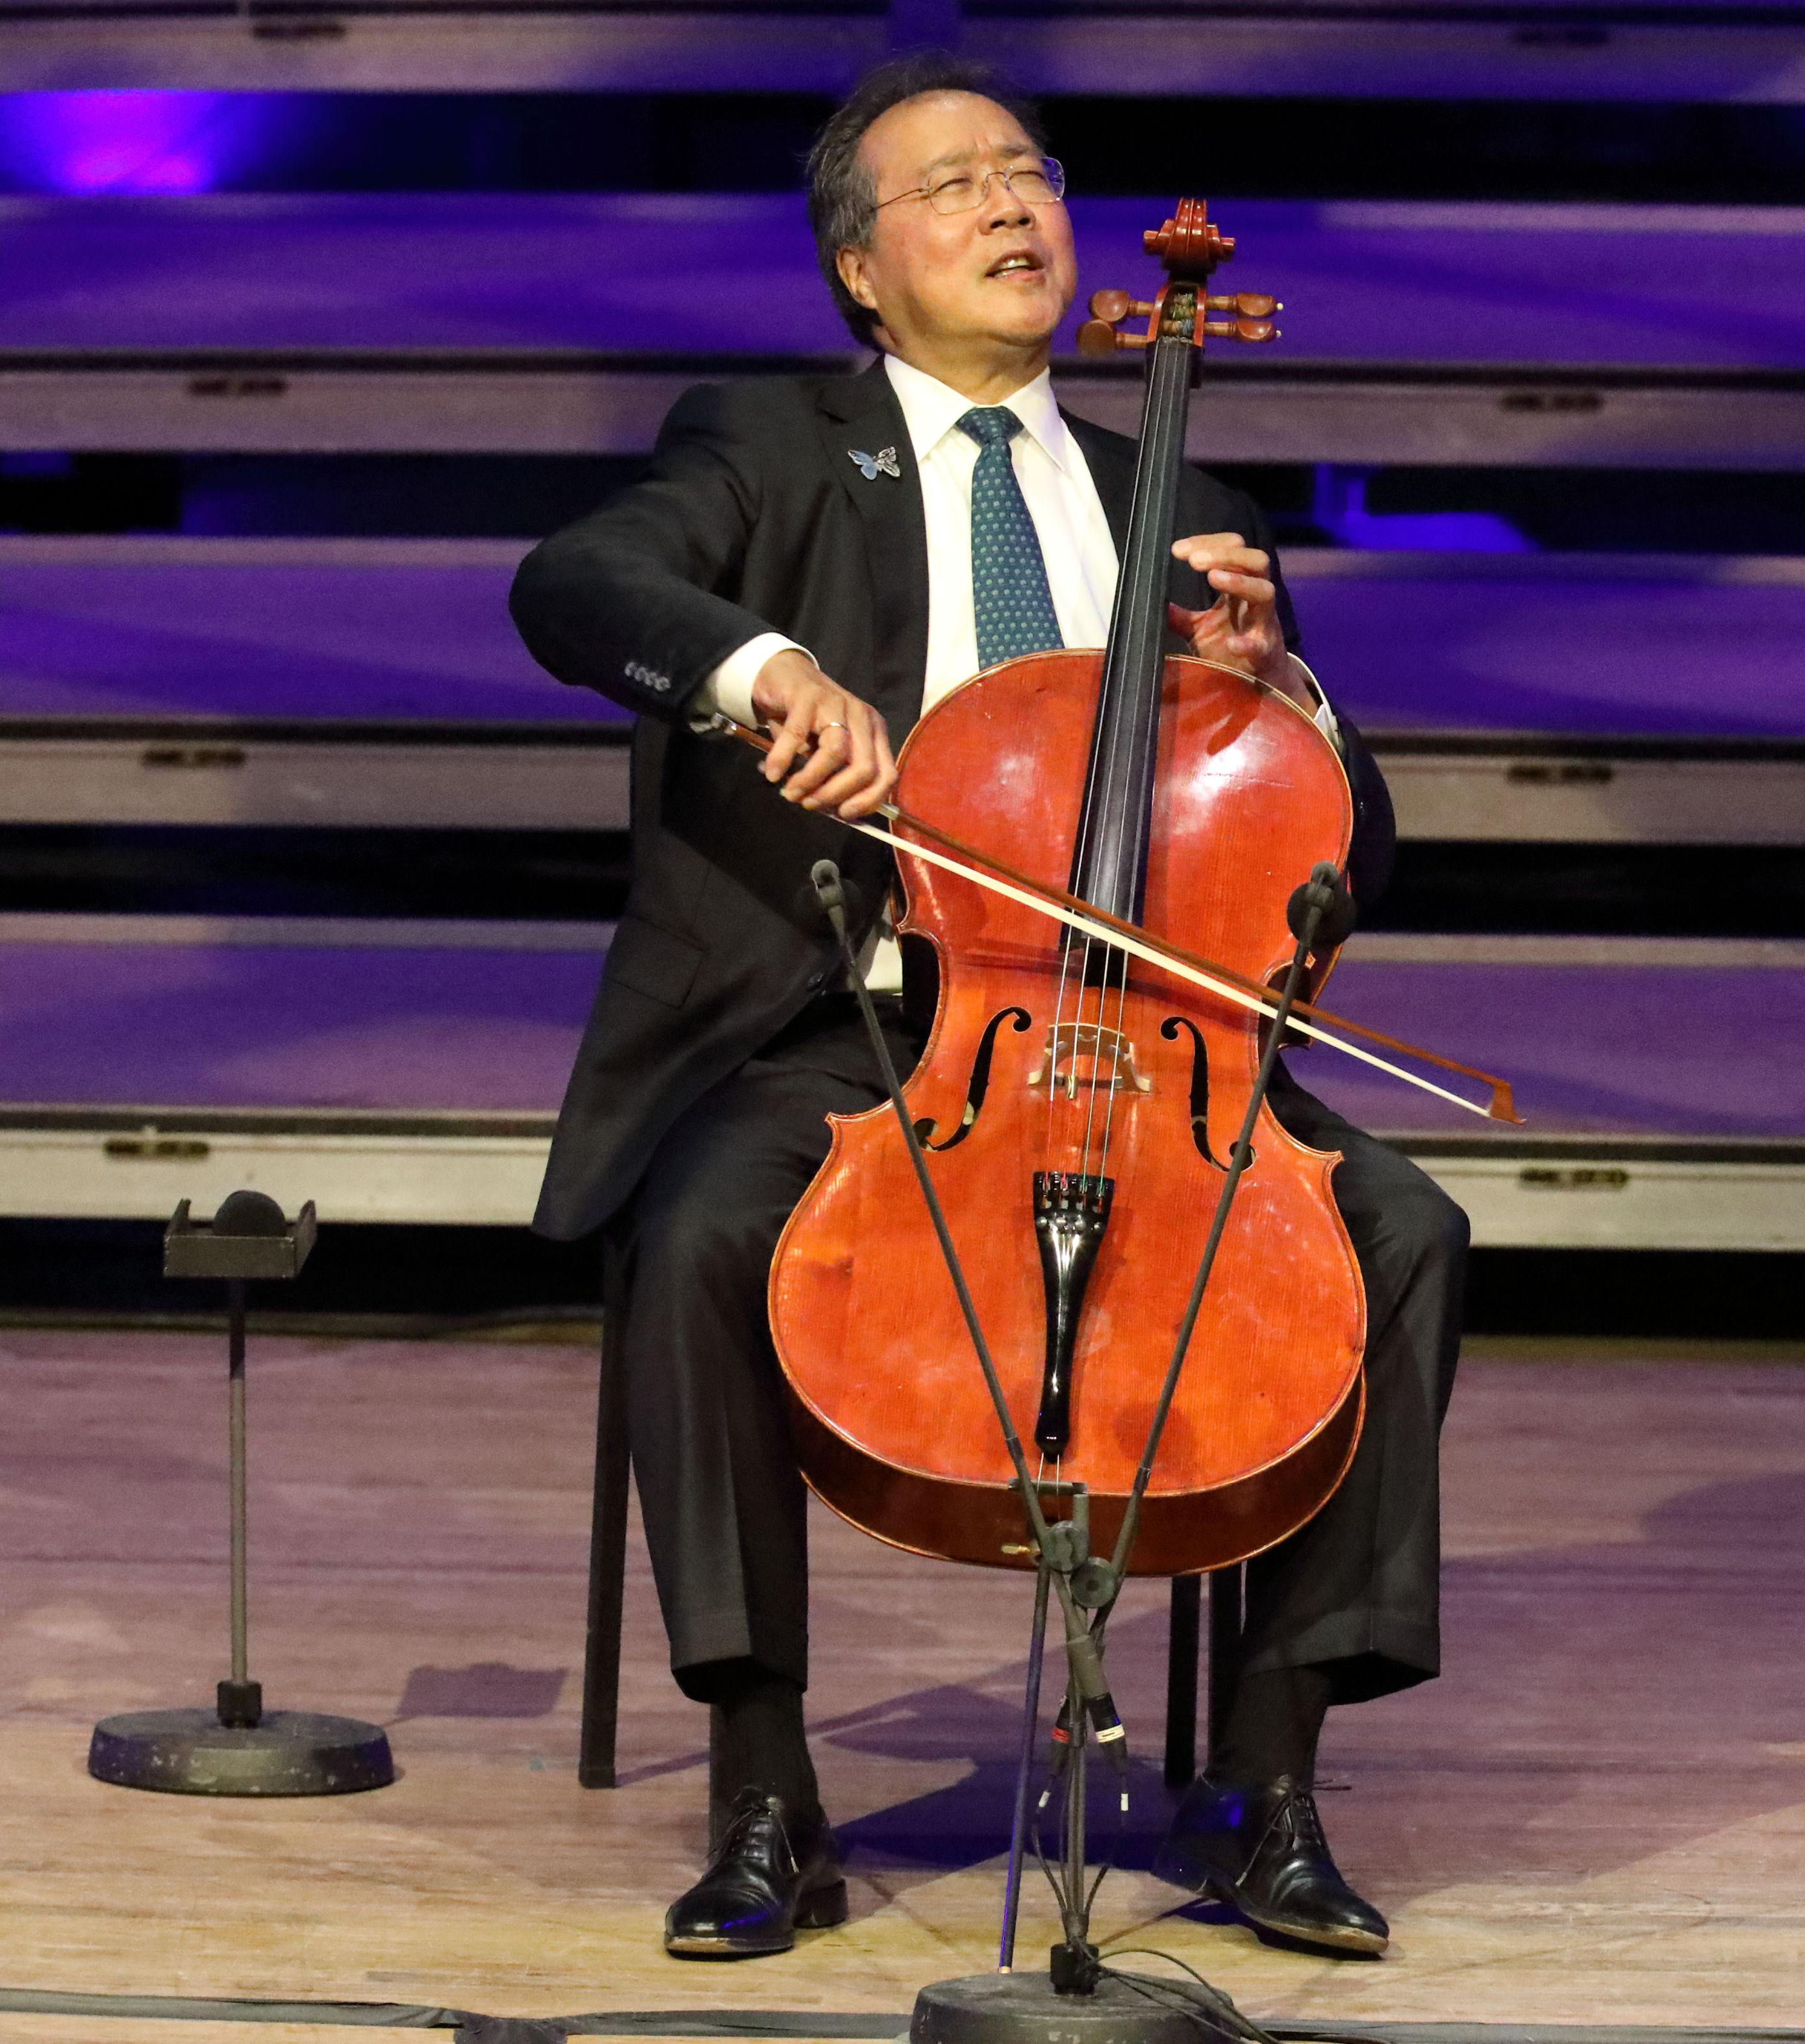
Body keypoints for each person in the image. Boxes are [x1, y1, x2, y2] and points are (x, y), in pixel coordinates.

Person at [509, 51, 1465, 1963]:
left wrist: (1289, 697)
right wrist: (761, 668)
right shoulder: (770, 445)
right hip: (847, 1030)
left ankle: (1271, 1780)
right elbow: (577, 579)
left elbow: (1351, 847)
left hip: (1147, 1045)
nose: (1013, 203)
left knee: (1405, 1236)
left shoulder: (1173, 490)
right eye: (952, 184)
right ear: (866, 268)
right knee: (700, 1229)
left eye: (1029, 170)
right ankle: (767, 1783)